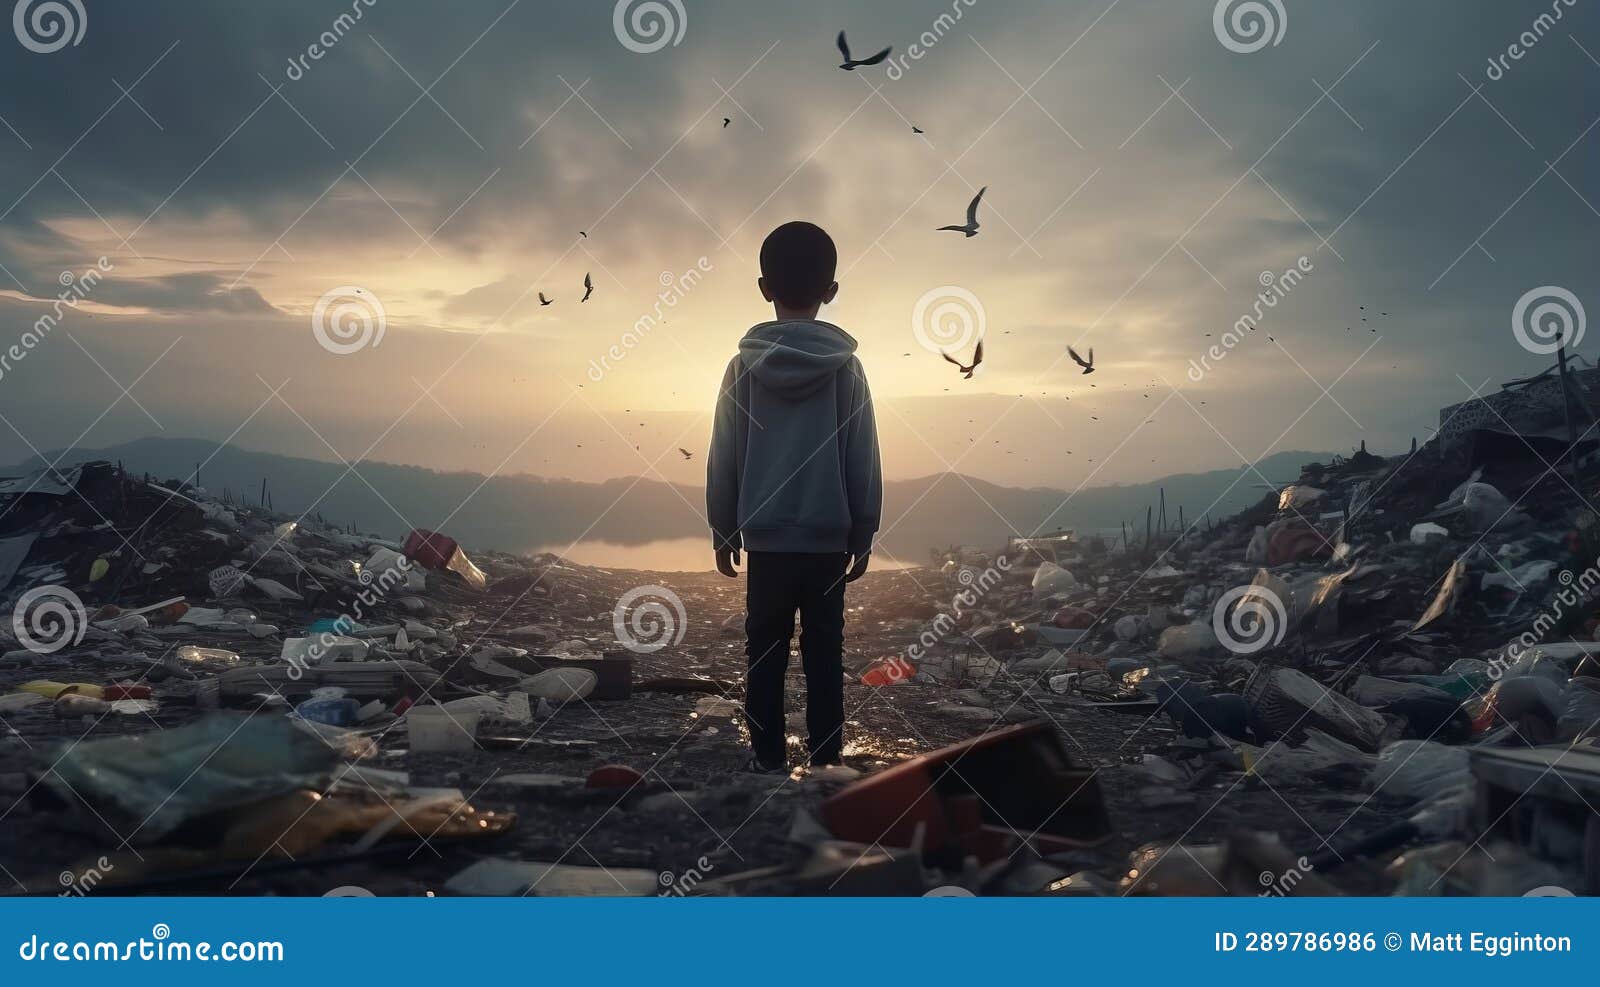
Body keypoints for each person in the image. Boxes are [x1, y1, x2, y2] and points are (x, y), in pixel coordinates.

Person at [705, 221, 882, 773]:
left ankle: (768, 762)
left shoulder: (743, 367)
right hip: (827, 540)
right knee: (825, 652)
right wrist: (864, 530)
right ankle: (826, 761)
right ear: (831, 290)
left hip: (766, 541)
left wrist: (723, 527)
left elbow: (724, 452)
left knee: (764, 652)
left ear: (765, 288)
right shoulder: (847, 368)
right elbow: (862, 454)